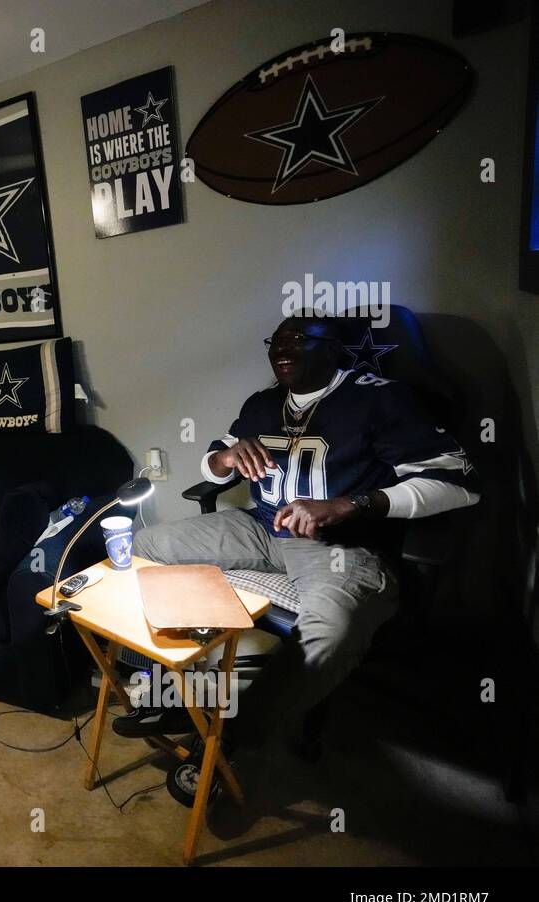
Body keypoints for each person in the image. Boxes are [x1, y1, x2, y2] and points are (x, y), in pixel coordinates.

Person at [127, 313, 479, 807]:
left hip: (341, 547)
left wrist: (351, 504)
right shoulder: (263, 403)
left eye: (298, 339)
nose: (282, 349)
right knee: (145, 546)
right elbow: (215, 459)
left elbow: (458, 484)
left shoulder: (379, 399)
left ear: (332, 347)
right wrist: (226, 459)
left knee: (330, 631)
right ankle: (175, 687)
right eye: (276, 340)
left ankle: (230, 740)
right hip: (261, 527)